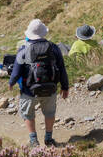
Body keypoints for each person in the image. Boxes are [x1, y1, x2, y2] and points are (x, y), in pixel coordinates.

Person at [8, 19, 68, 147]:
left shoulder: (23, 50)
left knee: (28, 114)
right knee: (50, 113)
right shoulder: (54, 48)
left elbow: (16, 71)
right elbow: (62, 68)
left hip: (29, 90)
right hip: (50, 88)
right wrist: (65, 86)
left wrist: (11, 83)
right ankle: (49, 138)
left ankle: (33, 140)